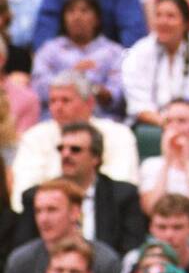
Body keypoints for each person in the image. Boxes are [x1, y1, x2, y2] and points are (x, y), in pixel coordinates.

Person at [11, 70, 139, 209]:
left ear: (89, 103)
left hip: (106, 215)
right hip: (46, 217)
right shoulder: (34, 137)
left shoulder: (118, 134)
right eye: (53, 101)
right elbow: (22, 191)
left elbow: (123, 185)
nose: (57, 107)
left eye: (66, 100)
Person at [17, 120, 146, 254]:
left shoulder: (123, 196)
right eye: (61, 149)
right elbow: (24, 251)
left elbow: (132, 250)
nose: (66, 155)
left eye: (75, 149)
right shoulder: (36, 197)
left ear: (95, 157)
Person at [0, 179, 120, 273]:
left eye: (52, 210)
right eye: (38, 211)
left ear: (75, 212)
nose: (43, 219)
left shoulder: (106, 260)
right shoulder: (20, 259)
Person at [121, 0, 189, 124]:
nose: (163, 22)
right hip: (151, 127)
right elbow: (138, 104)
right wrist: (166, 123)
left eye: (171, 16)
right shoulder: (138, 52)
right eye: (158, 15)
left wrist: (181, 124)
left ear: (186, 23)